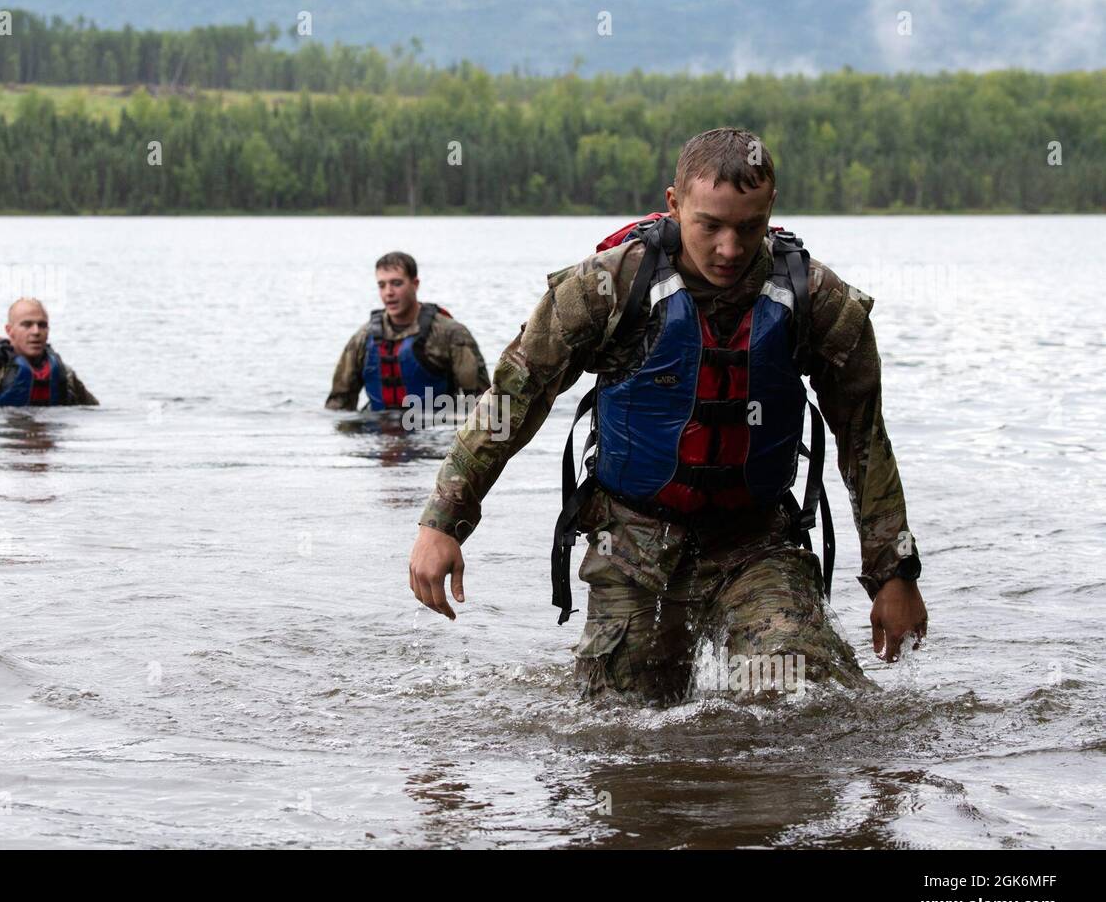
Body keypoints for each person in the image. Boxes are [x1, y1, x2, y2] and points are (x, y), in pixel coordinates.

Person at [408, 127, 928, 703]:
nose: (729, 248)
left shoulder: (816, 300)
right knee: (619, 729)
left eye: (748, 227)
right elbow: (513, 398)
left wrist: (894, 574)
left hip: (758, 543)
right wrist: (442, 522)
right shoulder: (608, 287)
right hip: (631, 546)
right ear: (675, 205)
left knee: (804, 699)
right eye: (710, 225)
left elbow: (865, 439)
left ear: (771, 211)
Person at [326, 251, 490, 412]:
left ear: (415, 284)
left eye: (396, 283)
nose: (388, 293)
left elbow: (482, 402)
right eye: (382, 285)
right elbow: (339, 404)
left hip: (434, 431)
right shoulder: (363, 338)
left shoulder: (451, 334)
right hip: (377, 433)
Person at [0, 297, 99, 407]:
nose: (36, 331)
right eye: (27, 325)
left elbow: (93, 412)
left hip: (47, 451)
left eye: (42, 325)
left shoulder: (64, 374)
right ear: (9, 330)